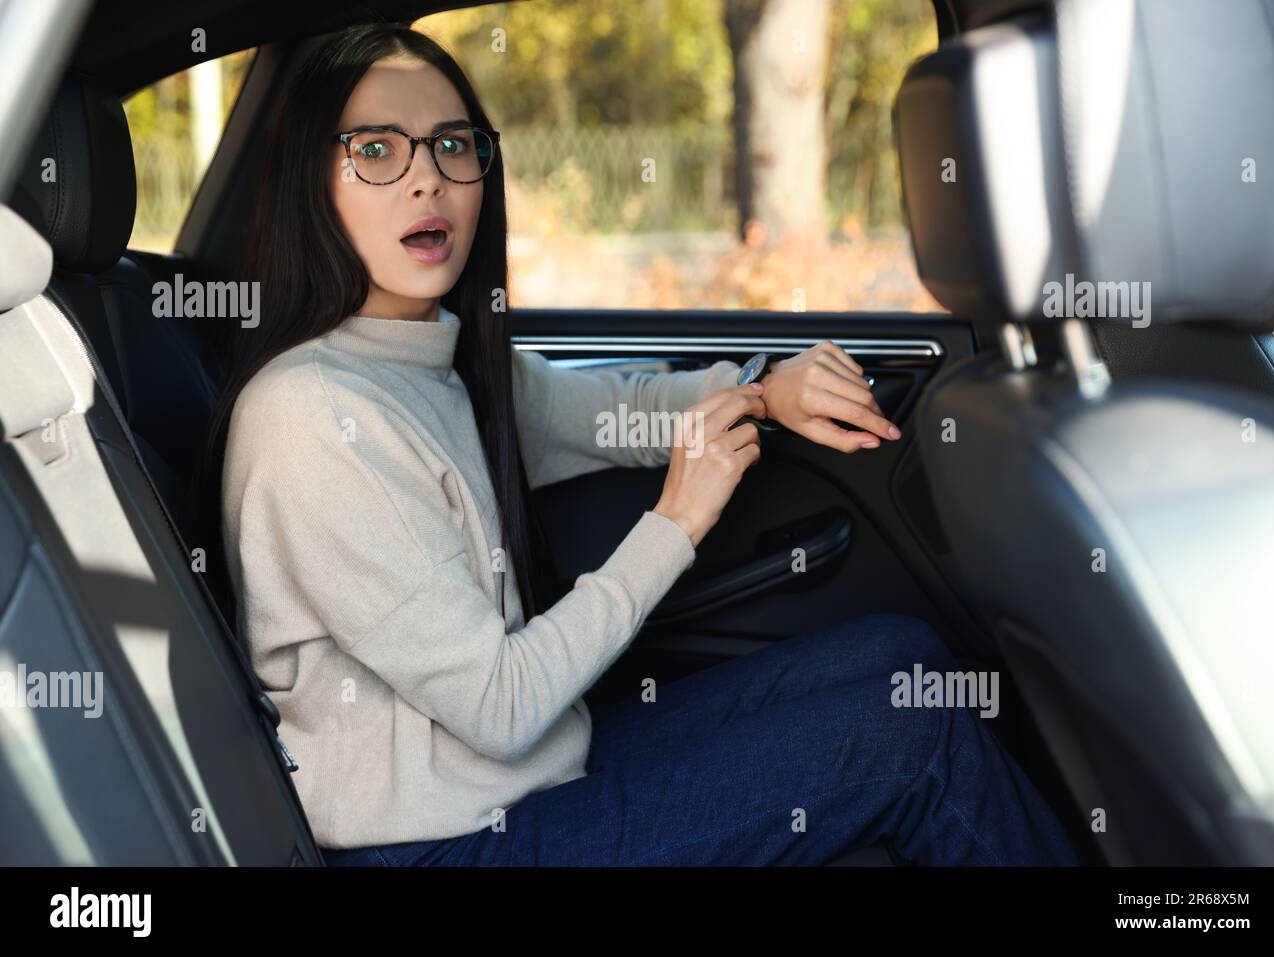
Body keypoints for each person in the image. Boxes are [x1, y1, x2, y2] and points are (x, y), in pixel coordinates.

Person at [194, 21, 1078, 866]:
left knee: (902, 656)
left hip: (526, 776)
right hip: (441, 843)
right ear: (314, 180)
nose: (428, 180)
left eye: (453, 145)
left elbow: (623, 409)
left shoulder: (442, 359)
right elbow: (501, 705)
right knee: (914, 741)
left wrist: (767, 393)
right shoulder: (312, 416)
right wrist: (678, 520)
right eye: (377, 150)